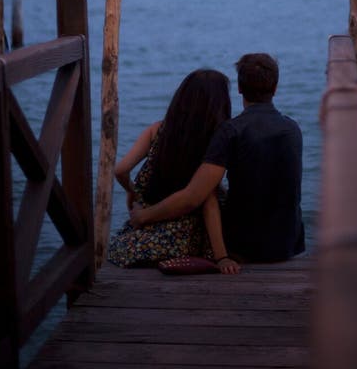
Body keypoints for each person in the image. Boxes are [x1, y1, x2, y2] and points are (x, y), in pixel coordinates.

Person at [130, 53, 305, 264]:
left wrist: (143, 216)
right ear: (275, 88)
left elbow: (193, 197)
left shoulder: (231, 131)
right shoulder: (293, 129)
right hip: (286, 245)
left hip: (243, 248)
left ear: (239, 89)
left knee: (209, 197)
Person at [107, 68, 240, 274]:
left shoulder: (156, 130)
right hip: (184, 237)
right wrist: (222, 257)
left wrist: (132, 191)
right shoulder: (212, 142)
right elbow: (208, 200)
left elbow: (121, 169)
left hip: (150, 231)